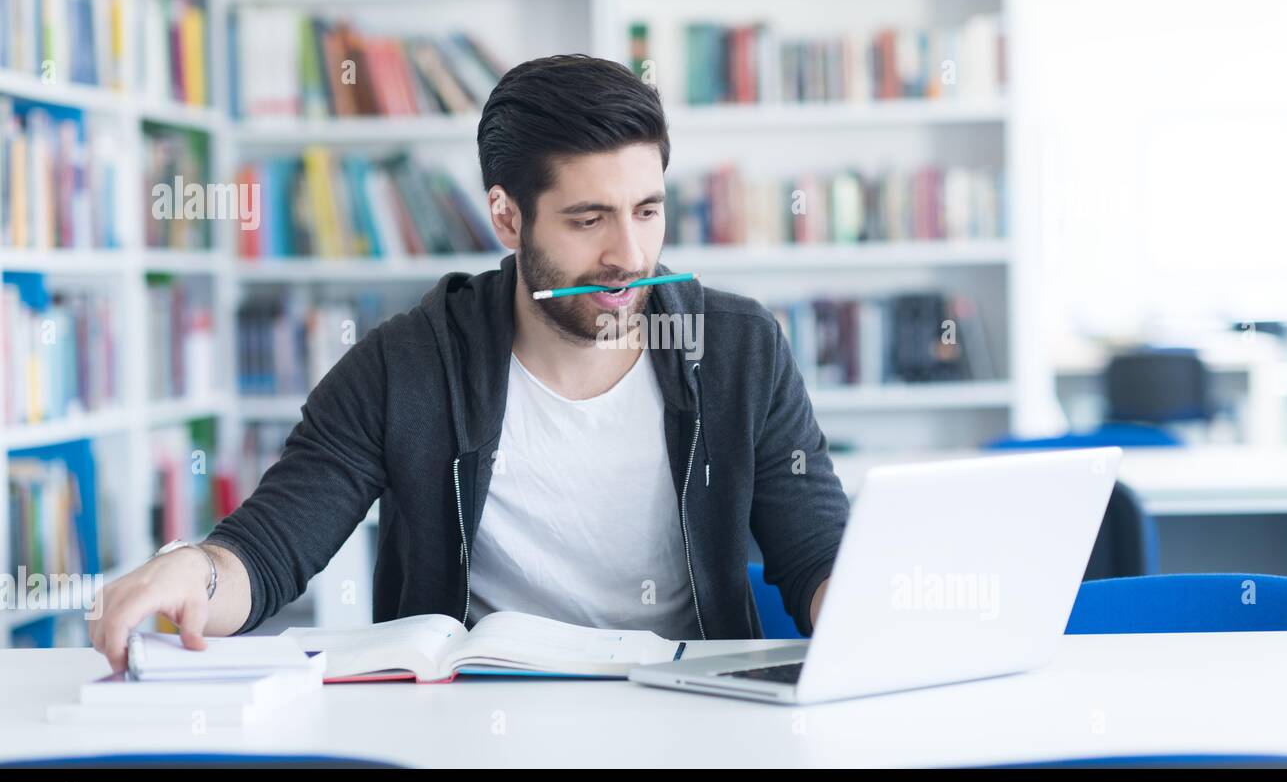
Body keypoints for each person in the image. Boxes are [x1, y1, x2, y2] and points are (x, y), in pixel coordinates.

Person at [89, 54, 849, 673]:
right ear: (507, 215)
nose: (629, 256)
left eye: (646, 211)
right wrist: (197, 572)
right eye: (589, 220)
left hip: (691, 718)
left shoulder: (740, 349)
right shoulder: (406, 364)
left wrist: (873, 605)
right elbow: (269, 550)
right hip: (468, 727)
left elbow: (819, 557)